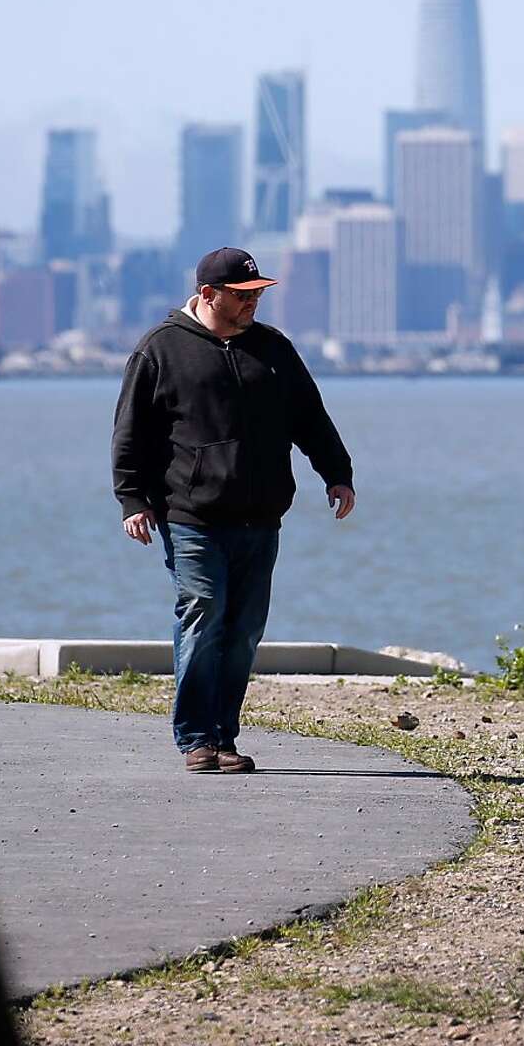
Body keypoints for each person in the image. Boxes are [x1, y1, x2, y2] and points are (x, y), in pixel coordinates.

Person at [111, 247, 355, 772]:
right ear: (208, 294)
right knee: (203, 611)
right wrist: (132, 499)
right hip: (191, 516)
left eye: (257, 293)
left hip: (261, 517)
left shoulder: (273, 349)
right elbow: (130, 432)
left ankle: (223, 737)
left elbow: (310, 418)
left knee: (243, 631)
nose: (252, 302)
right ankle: (195, 737)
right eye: (242, 295)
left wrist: (337, 474)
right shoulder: (160, 349)